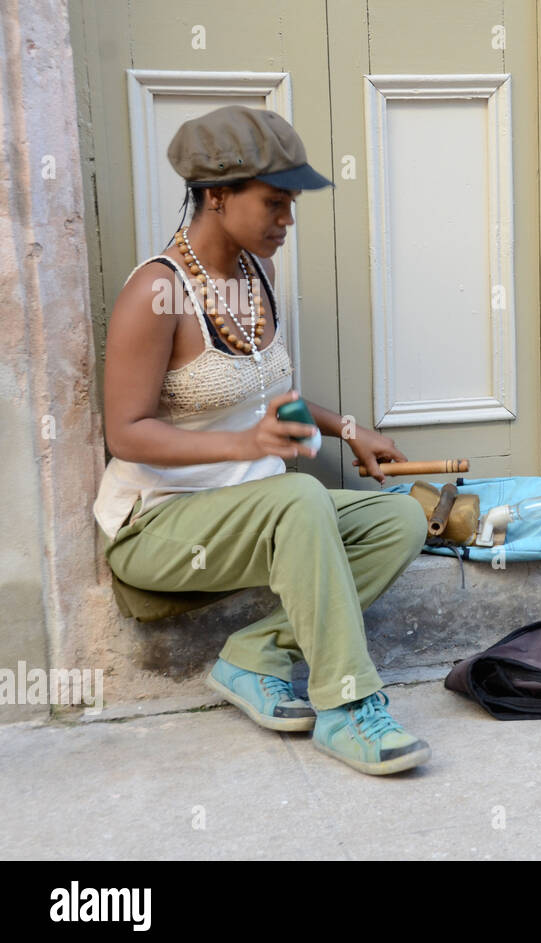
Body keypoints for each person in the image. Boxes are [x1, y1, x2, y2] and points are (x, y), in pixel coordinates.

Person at [95, 105, 432, 774]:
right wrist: (248, 447)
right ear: (217, 196)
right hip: (158, 524)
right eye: (275, 203)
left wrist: (345, 428)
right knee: (299, 496)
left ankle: (255, 654)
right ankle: (347, 706)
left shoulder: (258, 277)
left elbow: (263, 400)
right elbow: (125, 433)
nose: (288, 219)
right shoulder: (157, 292)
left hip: (256, 511)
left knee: (399, 518)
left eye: (291, 203)